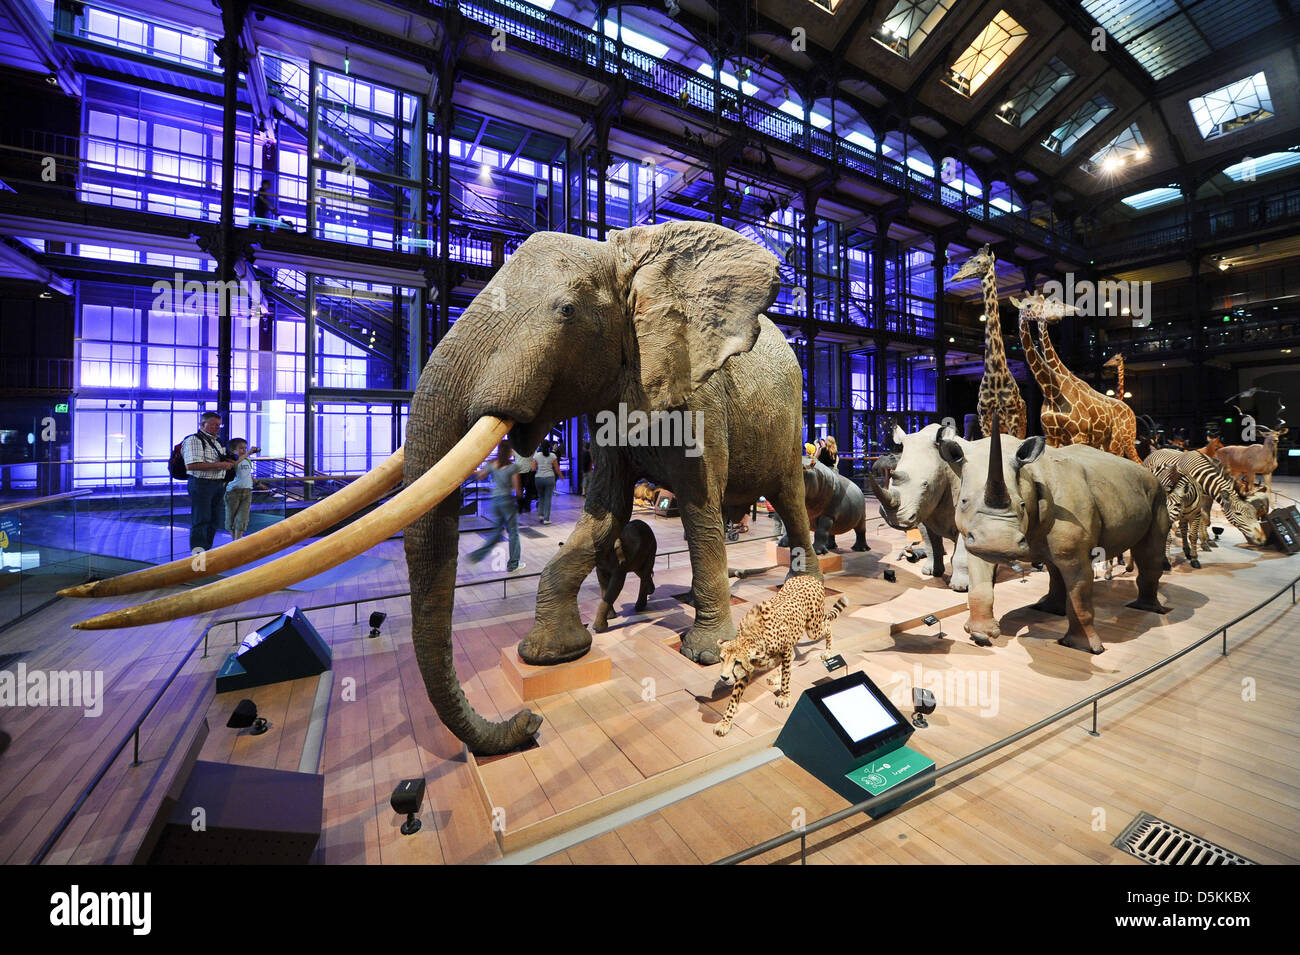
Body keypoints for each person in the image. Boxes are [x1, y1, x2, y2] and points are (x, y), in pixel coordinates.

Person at [468, 442, 535, 572]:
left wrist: (470, 470)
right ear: (509, 451)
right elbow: (518, 488)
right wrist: (520, 500)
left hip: (495, 501)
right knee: (513, 533)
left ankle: (476, 555)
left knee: (497, 532)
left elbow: (481, 475)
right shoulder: (512, 467)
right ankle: (514, 564)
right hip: (507, 501)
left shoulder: (493, 464)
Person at [182, 411, 234, 552]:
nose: (217, 428)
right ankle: (198, 554)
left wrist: (225, 462)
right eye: (213, 425)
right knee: (201, 519)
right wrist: (220, 465)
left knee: (213, 520)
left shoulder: (216, 441)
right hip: (201, 484)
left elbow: (218, 459)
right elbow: (191, 465)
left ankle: (206, 550)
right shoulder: (194, 440)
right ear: (203, 424)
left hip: (217, 484)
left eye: (219, 425)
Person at [225, 438, 259, 540]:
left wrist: (257, 483)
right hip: (233, 492)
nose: (244, 451)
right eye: (241, 448)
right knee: (231, 517)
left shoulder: (247, 460)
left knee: (242, 518)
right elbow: (233, 465)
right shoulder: (230, 460)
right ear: (232, 450)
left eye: (245, 448)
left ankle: (237, 541)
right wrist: (248, 453)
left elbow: (247, 474)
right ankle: (233, 540)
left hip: (247, 491)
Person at [533, 439, 563, 525]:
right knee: (548, 499)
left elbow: (534, 468)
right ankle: (546, 519)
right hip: (549, 478)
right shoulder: (553, 456)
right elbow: (557, 469)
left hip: (538, 478)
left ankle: (540, 515)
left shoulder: (537, 455)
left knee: (541, 497)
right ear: (549, 446)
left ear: (541, 446)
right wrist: (562, 477)